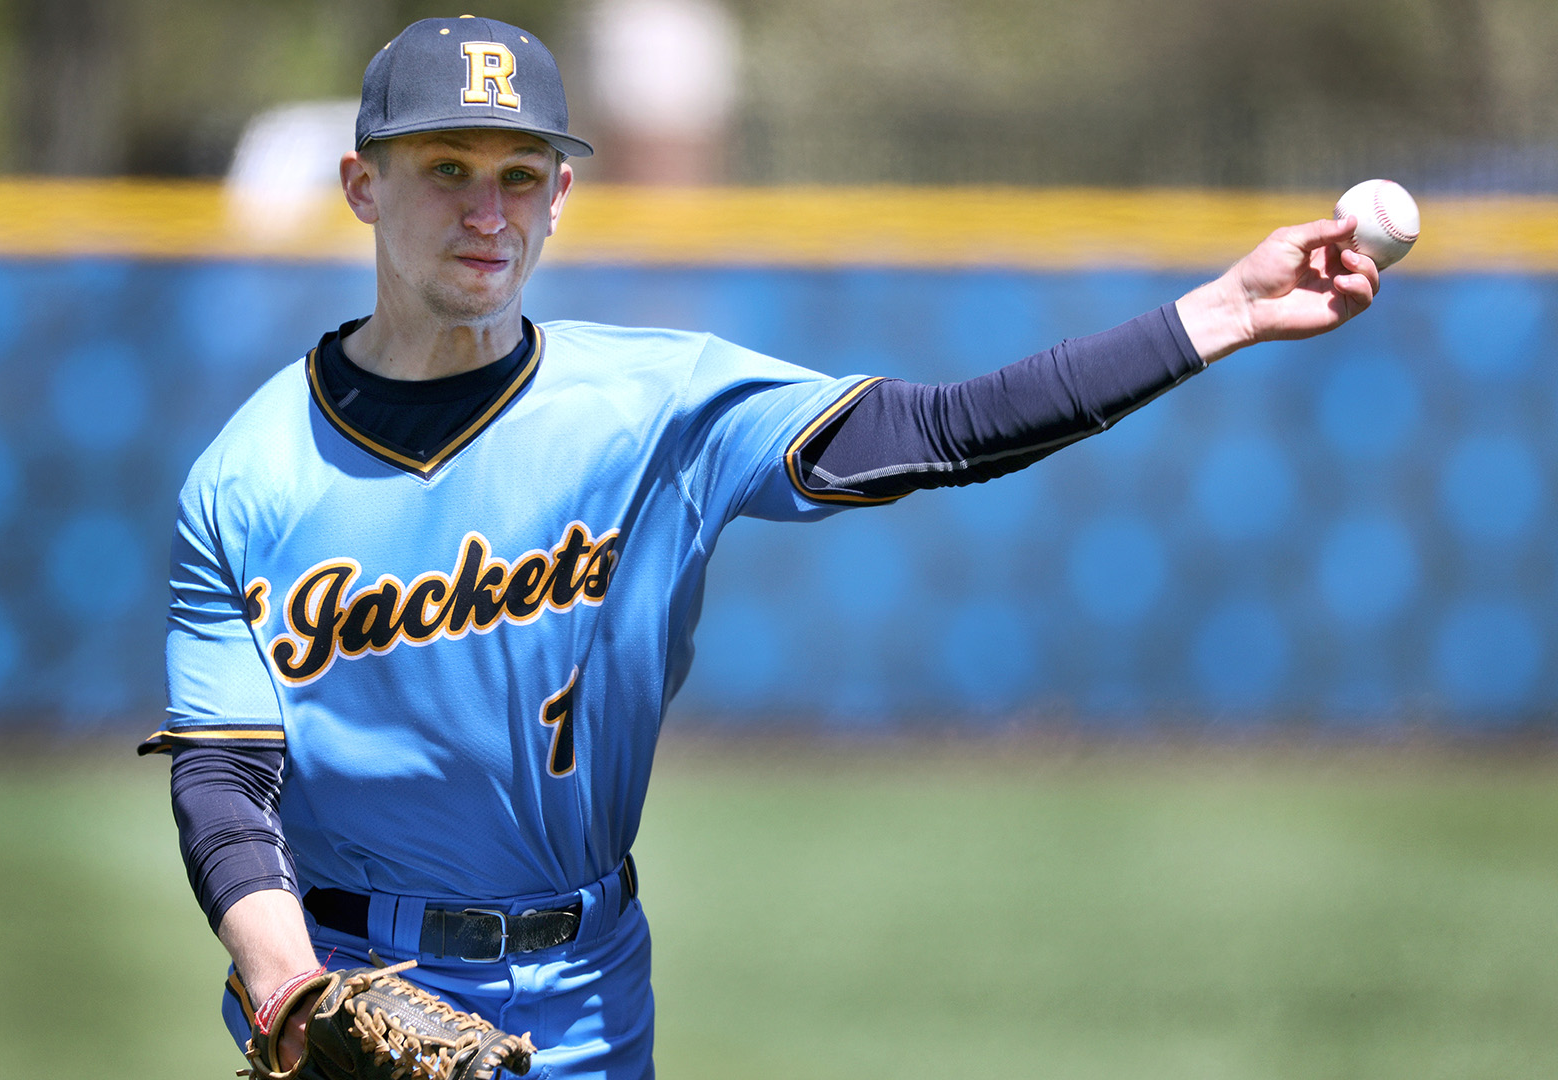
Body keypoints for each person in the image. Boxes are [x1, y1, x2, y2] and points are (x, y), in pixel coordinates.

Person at [140, 14, 1379, 1078]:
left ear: (563, 196)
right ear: (363, 186)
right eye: (446, 168)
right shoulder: (249, 480)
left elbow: (938, 429)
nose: (487, 210)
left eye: (522, 174)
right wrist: (291, 989)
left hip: (586, 992)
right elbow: (226, 783)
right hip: (345, 974)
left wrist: (1225, 311)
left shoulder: (663, 408)